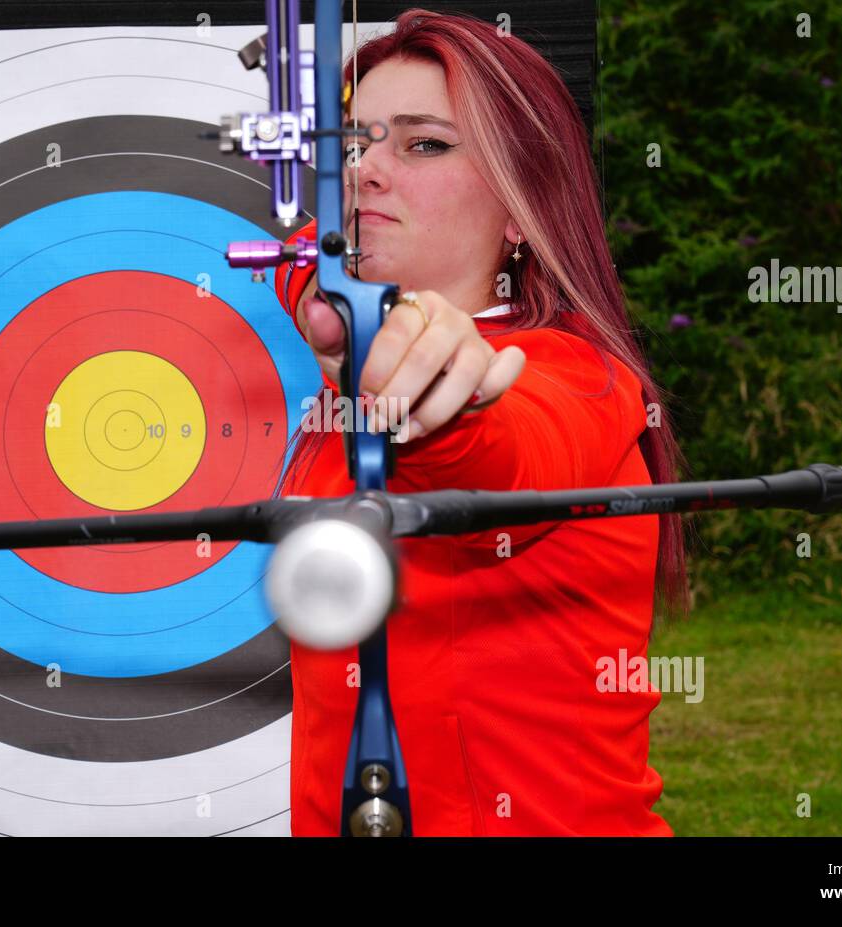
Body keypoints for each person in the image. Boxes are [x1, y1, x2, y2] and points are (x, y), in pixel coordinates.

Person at [270, 8, 689, 836]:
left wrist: (441, 397)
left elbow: (495, 447)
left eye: (424, 145)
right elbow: (303, 259)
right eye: (354, 145)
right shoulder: (347, 345)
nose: (366, 173)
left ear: (522, 215)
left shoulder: (578, 378)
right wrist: (327, 298)